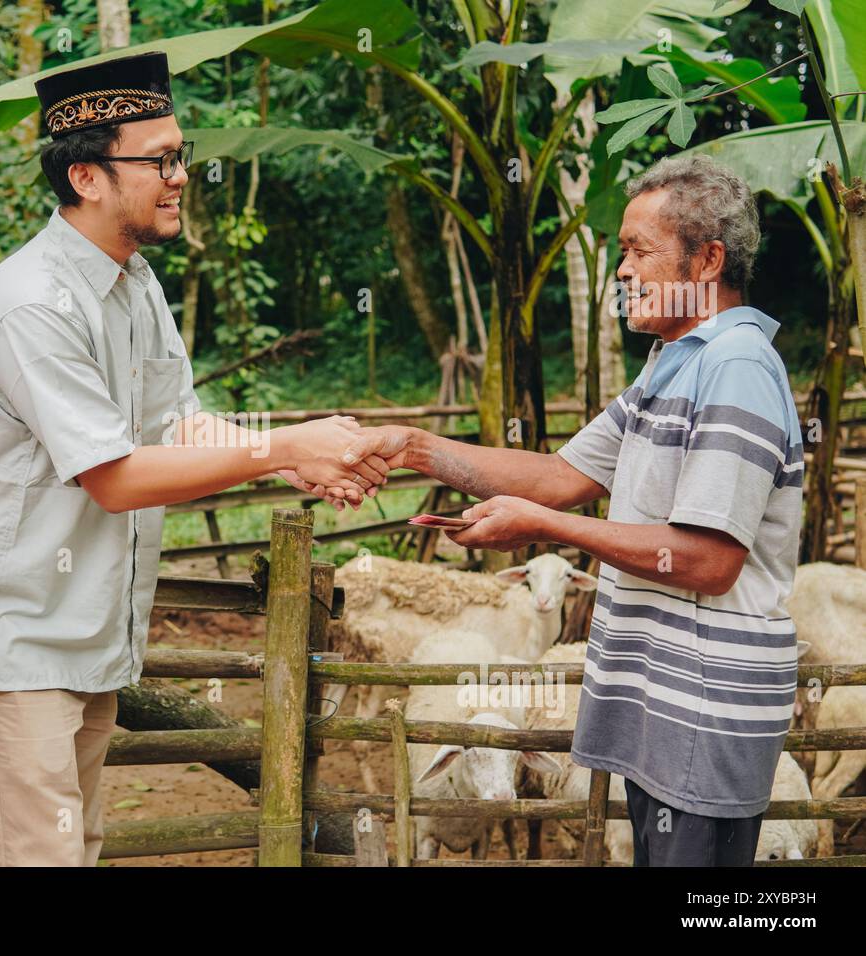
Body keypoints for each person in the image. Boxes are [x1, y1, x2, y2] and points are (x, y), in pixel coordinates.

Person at [0, 51, 389, 867]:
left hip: (86, 631)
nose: (179, 177)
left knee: (76, 846)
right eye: (161, 160)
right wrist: (282, 445)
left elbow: (180, 427)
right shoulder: (32, 301)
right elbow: (113, 478)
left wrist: (294, 460)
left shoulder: (133, 282)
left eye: (182, 157)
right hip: (16, 637)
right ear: (86, 177)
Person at [341, 155, 802, 866]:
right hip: (662, 701)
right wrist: (411, 447)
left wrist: (543, 528)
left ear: (708, 259)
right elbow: (558, 475)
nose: (623, 270)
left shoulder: (734, 366)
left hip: (704, 713)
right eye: (622, 251)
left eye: (638, 250)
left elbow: (708, 561)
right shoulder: (670, 363)